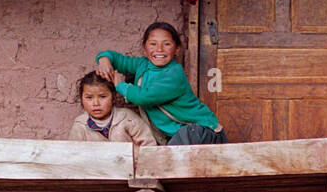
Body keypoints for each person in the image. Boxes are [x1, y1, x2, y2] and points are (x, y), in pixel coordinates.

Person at [96, 22, 228, 145]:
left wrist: (120, 85)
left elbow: (145, 97)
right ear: (144, 48)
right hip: (180, 135)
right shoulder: (143, 64)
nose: (159, 49)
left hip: (203, 132)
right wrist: (104, 60)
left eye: (167, 44)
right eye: (153, 44)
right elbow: (118, 59)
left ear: (177, 49)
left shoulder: (174, 74)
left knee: (169, 158)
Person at [67, 71, 157, 150]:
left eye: (102, 97)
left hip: (131, 167)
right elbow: (73, 153)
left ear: (113, 97)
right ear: (81, 99)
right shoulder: (80, 125)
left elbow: (149, 146)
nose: (96, 103)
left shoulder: (127, 118)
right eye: (89, 98)